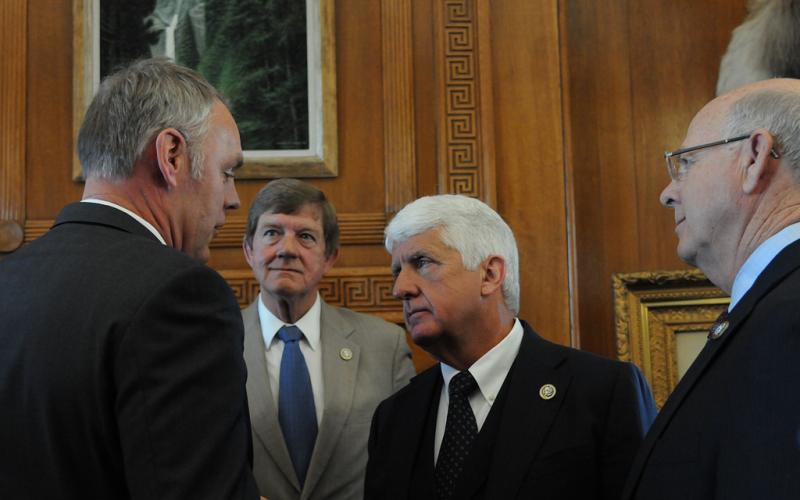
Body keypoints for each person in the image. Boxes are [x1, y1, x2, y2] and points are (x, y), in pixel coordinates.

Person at [0, 58, 259, 499]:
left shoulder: (10, 279)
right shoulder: (179, 295)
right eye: (227, 172)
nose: (233, 200)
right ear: (172, 154)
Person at [364, 194, 656, 500]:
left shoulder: (603, 391)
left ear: (490, 274)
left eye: (422, 262)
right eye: (397, 271)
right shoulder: (394, 416)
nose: (400, 289)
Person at [622, 78, 800, 500]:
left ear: (754, 157)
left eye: (685, 163)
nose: (668, 194)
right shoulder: (770, 305)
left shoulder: (789, 317)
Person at [241, 178, 416, 500]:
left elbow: (408, 463)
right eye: (272, 233)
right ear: (249, 250)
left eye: (305, 236)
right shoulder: (214, 347)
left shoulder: (385, 345)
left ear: (330, 257)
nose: (287, 249)